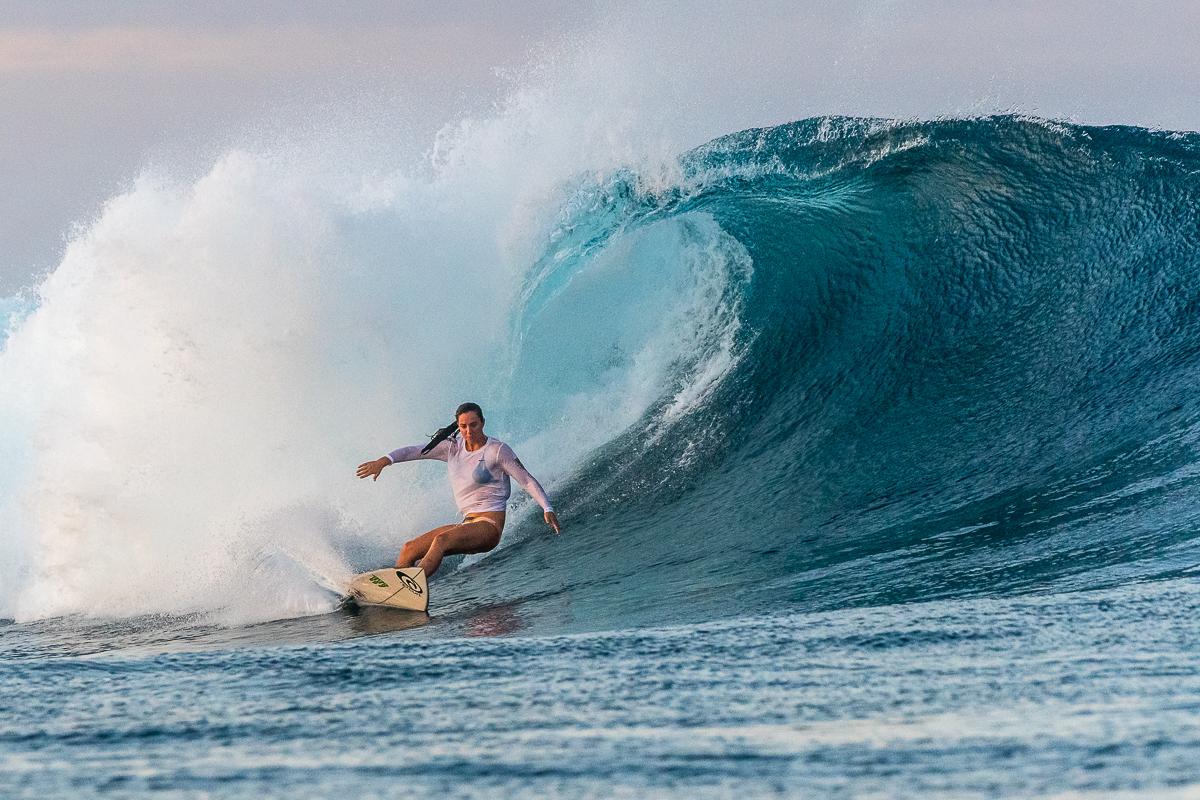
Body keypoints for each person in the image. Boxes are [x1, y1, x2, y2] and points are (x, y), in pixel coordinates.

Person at [356, 402, 560, 577]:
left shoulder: (497, 450)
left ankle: (411, 585)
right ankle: (393, 592)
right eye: (463, 426)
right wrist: (384, 461)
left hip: (489, 526)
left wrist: (547, 507)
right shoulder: (452, 446)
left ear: (483, 422)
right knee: (409, 549)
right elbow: (414, 451)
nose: (469, 431)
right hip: (466, 523)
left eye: (474, 425)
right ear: (458, 426)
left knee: (441, 541)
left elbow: (526, 480)